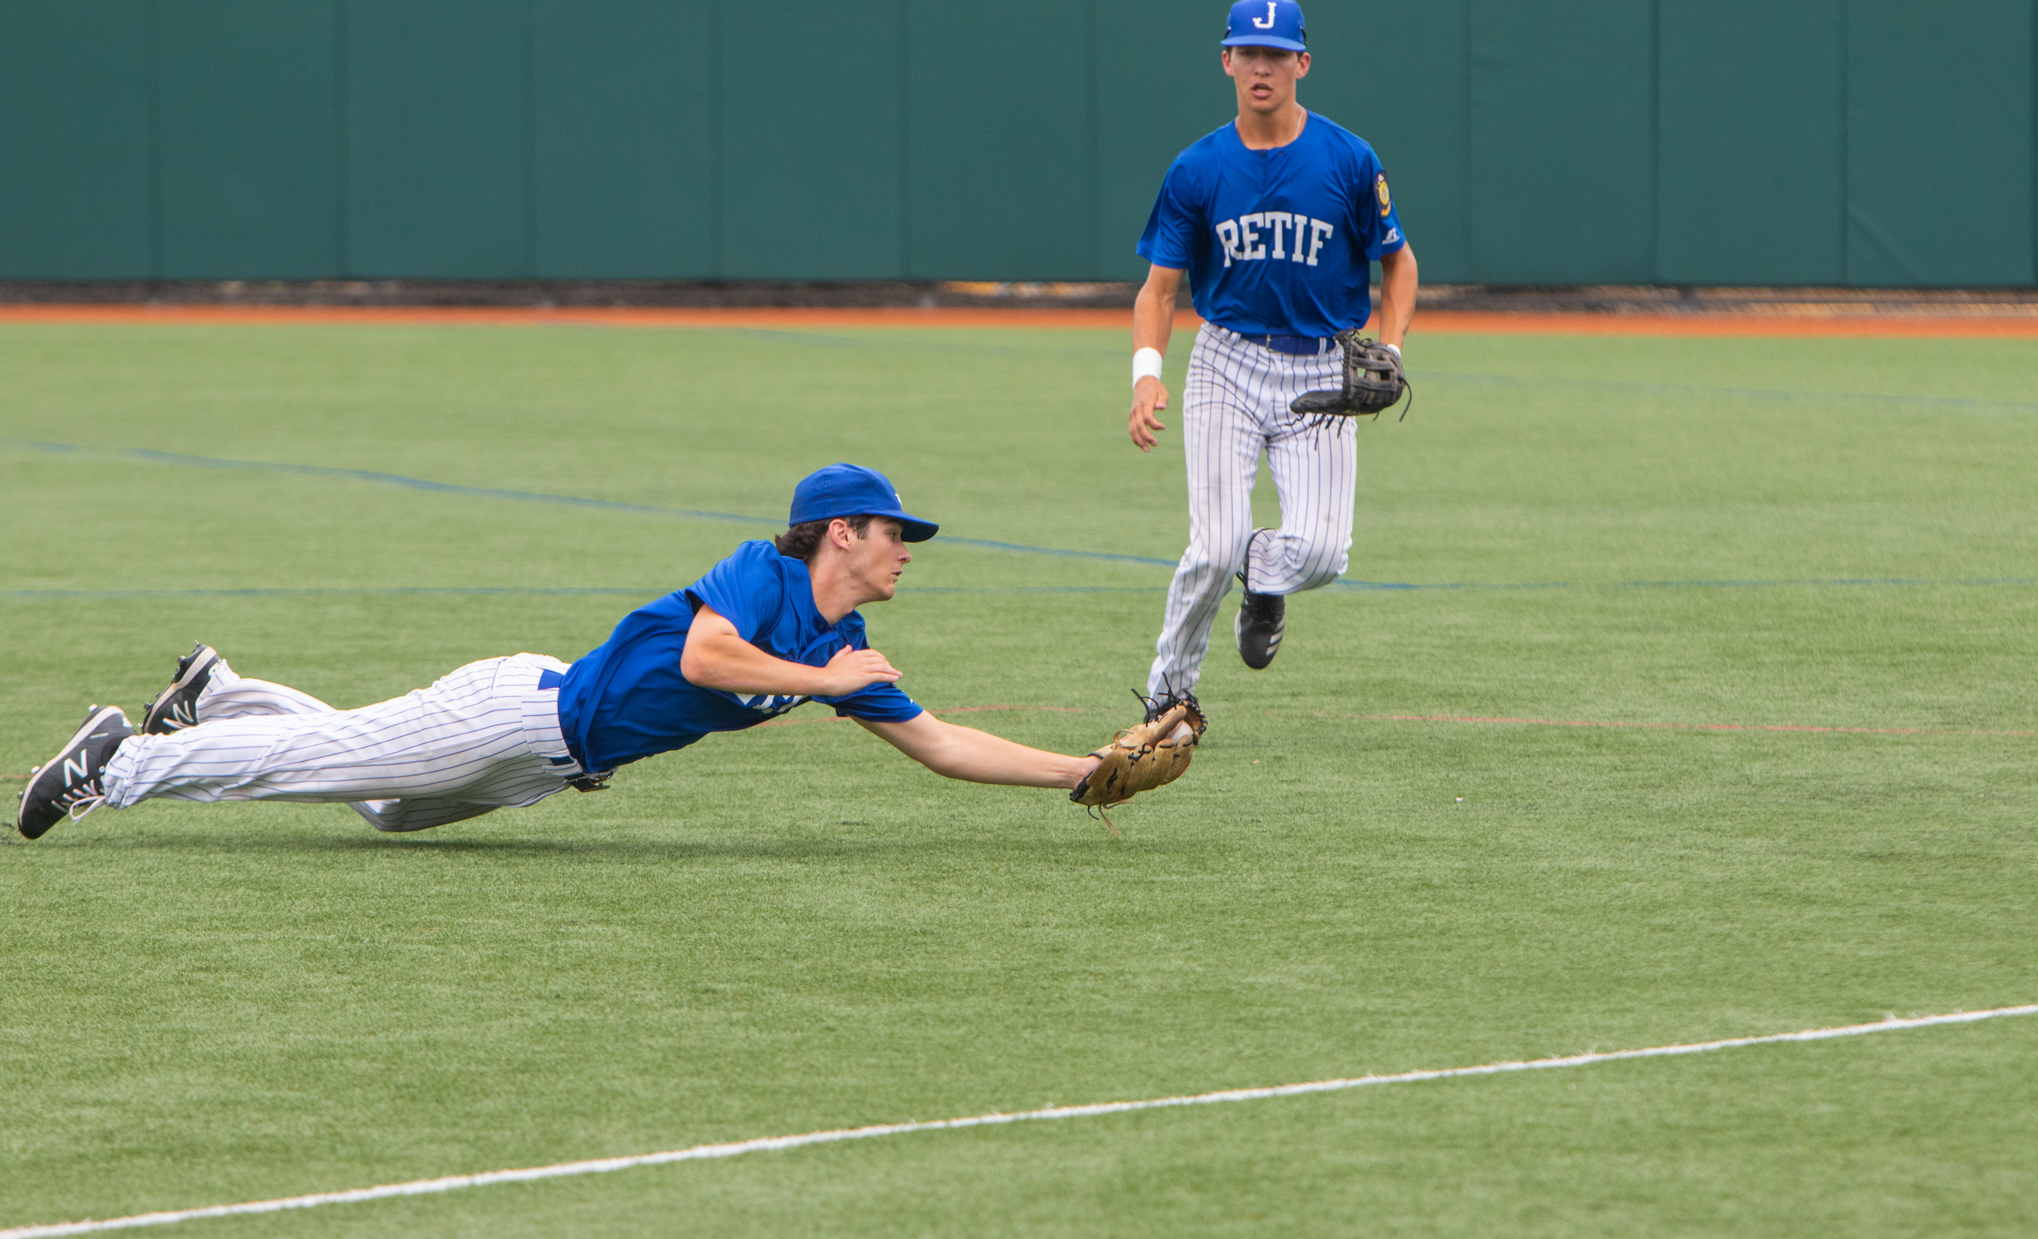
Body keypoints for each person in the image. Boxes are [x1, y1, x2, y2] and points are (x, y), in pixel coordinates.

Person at [15, 465, 1105, 841]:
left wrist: (1084, 772)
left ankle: (219, 695)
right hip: (516, 714)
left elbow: (942, 745)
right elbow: (704, 661)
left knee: (385, 807)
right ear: (837, 534)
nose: (903, 551)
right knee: (317, 765)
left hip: (545, 759)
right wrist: (823, 683)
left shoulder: (844, 639)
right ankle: (113, 766)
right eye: (891, 533)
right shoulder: (764, 576)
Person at [1126, 0, 1417, 712]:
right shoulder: (1197, 169)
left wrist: (1392, 345)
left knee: (1322, 555)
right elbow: (1159, 292)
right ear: (1226, 60)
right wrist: (1146, 376)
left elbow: (1400, 265)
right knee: (1211, 548)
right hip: (1226, 362)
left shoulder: (1348, 159)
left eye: (1278, 54)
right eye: (1249, 53)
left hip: (1324, 371)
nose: (1263, 66)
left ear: (1302, 64)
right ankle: (1170, 696)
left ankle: (1265, 578)